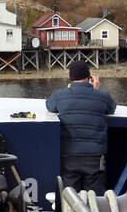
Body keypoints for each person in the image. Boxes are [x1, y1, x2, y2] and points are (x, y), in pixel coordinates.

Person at [45, 59, 116, 191]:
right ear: (89, 77)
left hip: (70, 156)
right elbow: (111, 107)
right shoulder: (102, 96)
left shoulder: (60, 96)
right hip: (95, 157)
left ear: (70, 77)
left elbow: (49, 105)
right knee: (94, 201)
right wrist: (94, 89)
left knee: (71, 199)